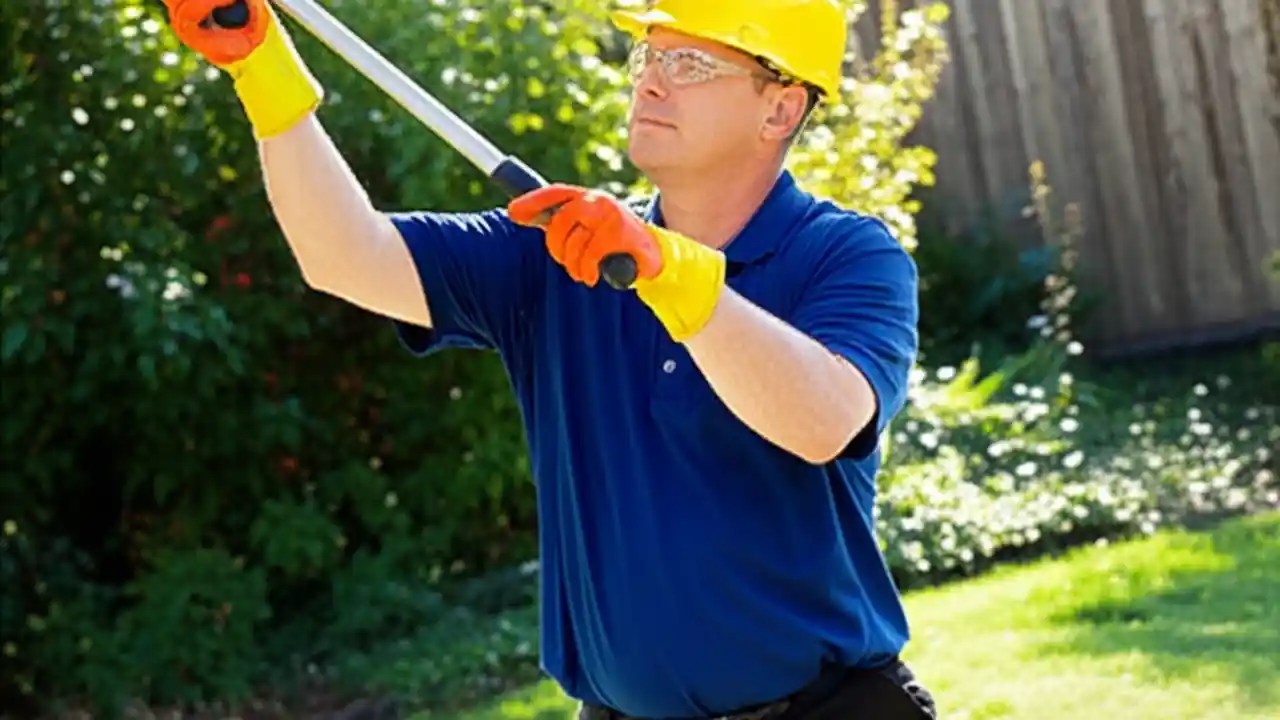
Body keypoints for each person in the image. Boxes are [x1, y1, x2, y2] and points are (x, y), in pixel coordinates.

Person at [162, 0, 936, 717]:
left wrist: (670, 274)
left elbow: (824, 420)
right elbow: (345, 255)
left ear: (781, 108)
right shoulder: (563, 252)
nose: (651, 83)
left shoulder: (848, 256)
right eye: (649, 56)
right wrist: (261, 67)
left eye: (691, 64)